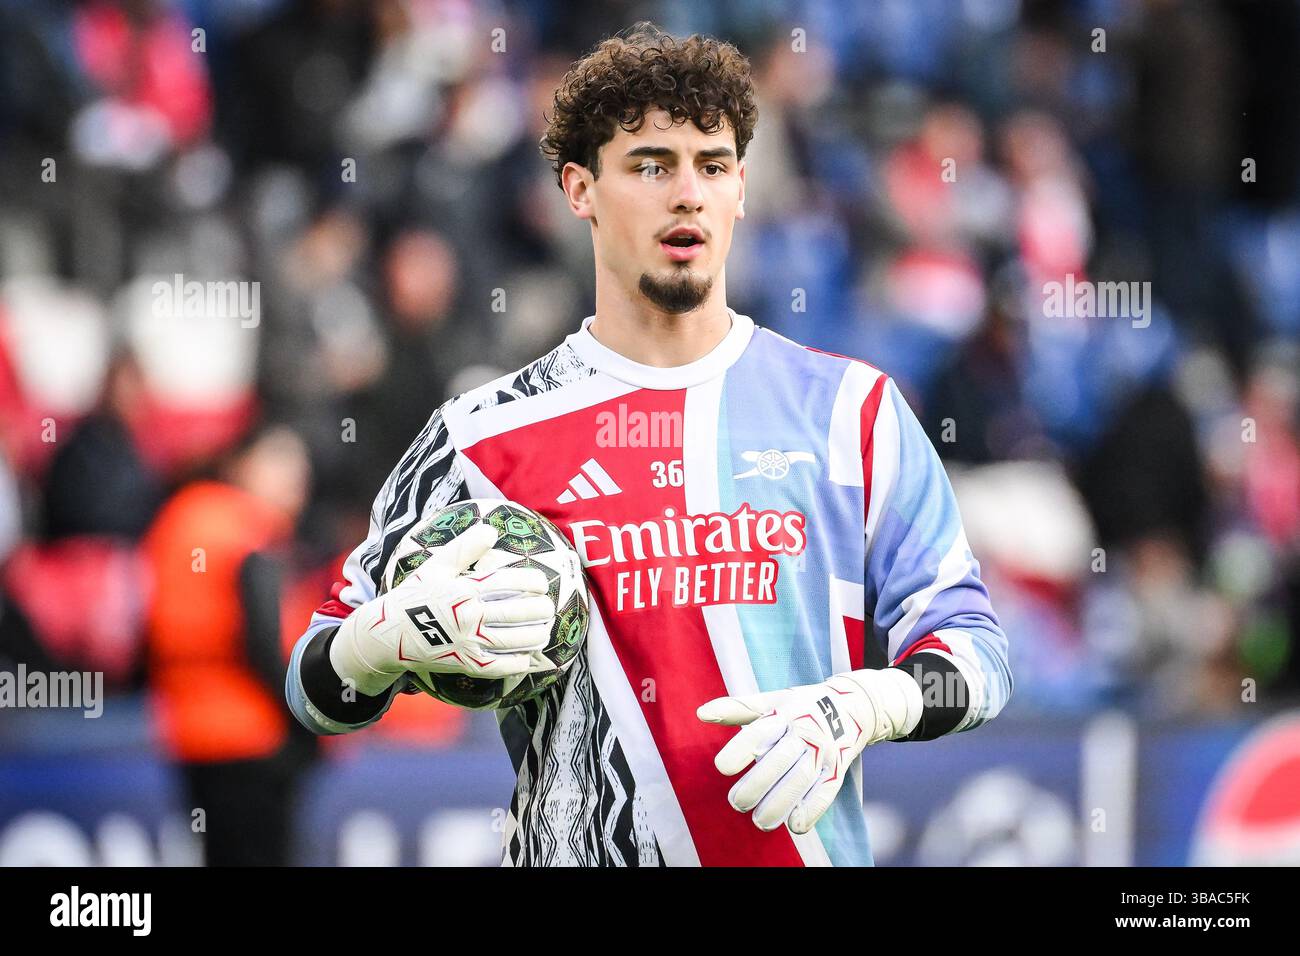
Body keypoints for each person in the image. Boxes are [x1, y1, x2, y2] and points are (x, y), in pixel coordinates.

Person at [286, 22, 1012, 867]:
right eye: (650, 165)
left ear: (742, 188)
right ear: (578, 188)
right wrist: (377, 643)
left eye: (712, 165)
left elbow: (978, 655)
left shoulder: (852, 412)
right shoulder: (481, 436)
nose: (688, 194)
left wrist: (867, 704)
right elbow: (313, 682)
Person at [147, 422, 316, 865]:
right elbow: (261, 641)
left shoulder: (179, 516)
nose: (295, 480)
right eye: (280, 463)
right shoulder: (245, 528)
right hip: (252, 738)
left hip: (189, 734)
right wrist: (307, 719)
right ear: (242, 465)